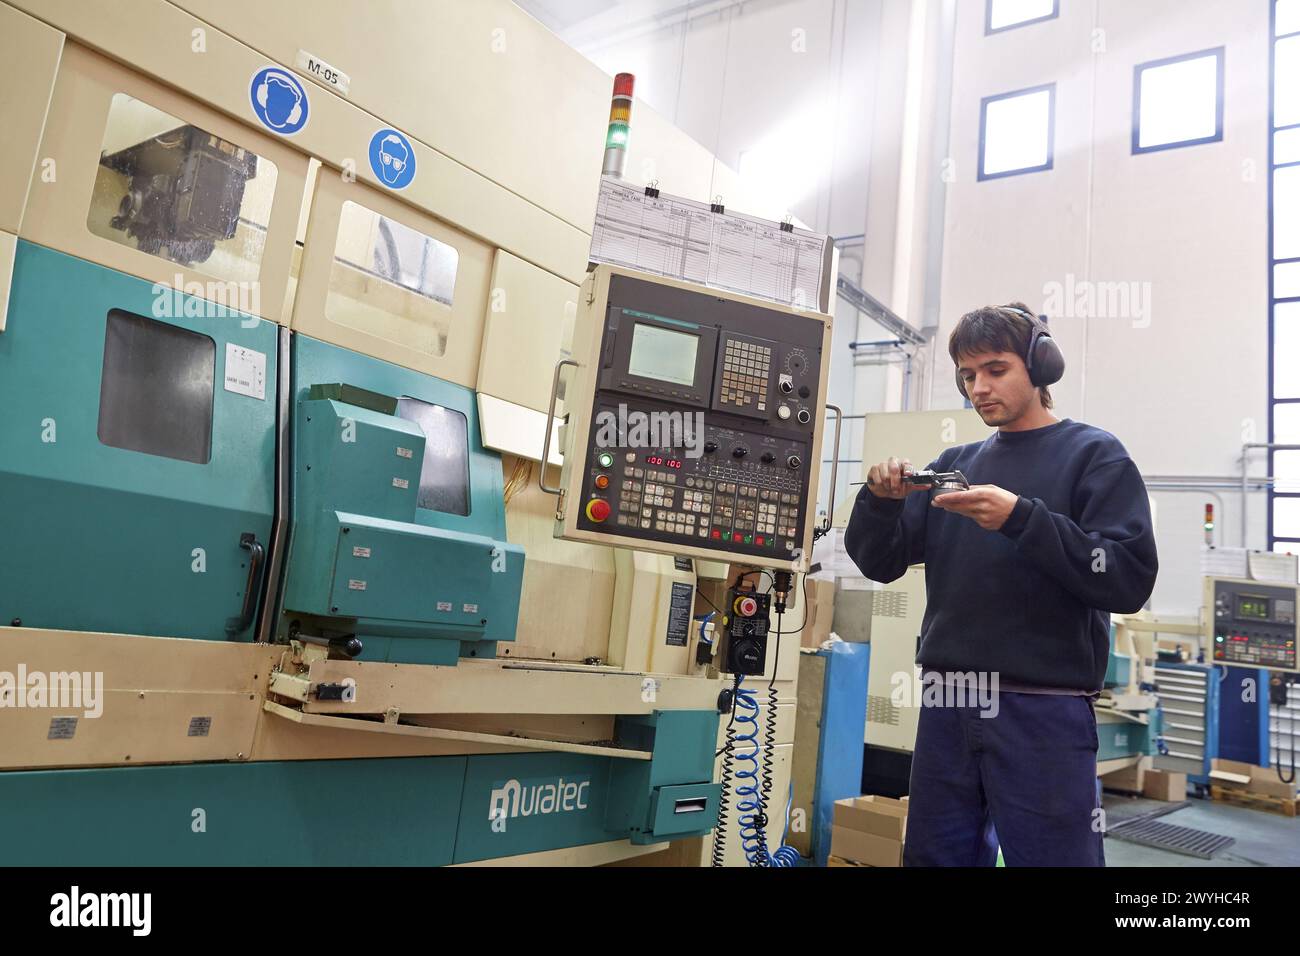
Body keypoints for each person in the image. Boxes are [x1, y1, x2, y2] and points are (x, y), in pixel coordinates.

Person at [844, 303, 1158, 866]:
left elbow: (1127, 577)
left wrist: (1022, 519)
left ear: (1041, 366)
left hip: (1041, 708)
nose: (979, 388)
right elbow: (880, 563)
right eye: (968, 375)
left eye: (995, 370)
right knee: (936, 858)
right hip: (948, 700)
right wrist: (880, 502)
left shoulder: (1094, 456)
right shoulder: (954, 464)